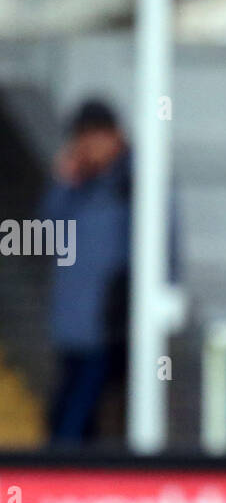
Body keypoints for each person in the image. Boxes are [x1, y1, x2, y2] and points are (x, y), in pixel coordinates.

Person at [43, 100, 132, 444]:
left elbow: (163, 241)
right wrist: (63, 182)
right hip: (74, 328)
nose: (88, 147)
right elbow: (46, 238)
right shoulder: (76, 187)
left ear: (114, 137)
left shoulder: (134, 180)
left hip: (113, 324)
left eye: (95, 136)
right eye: (82, 137)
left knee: (77, 420)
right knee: (70, 416)